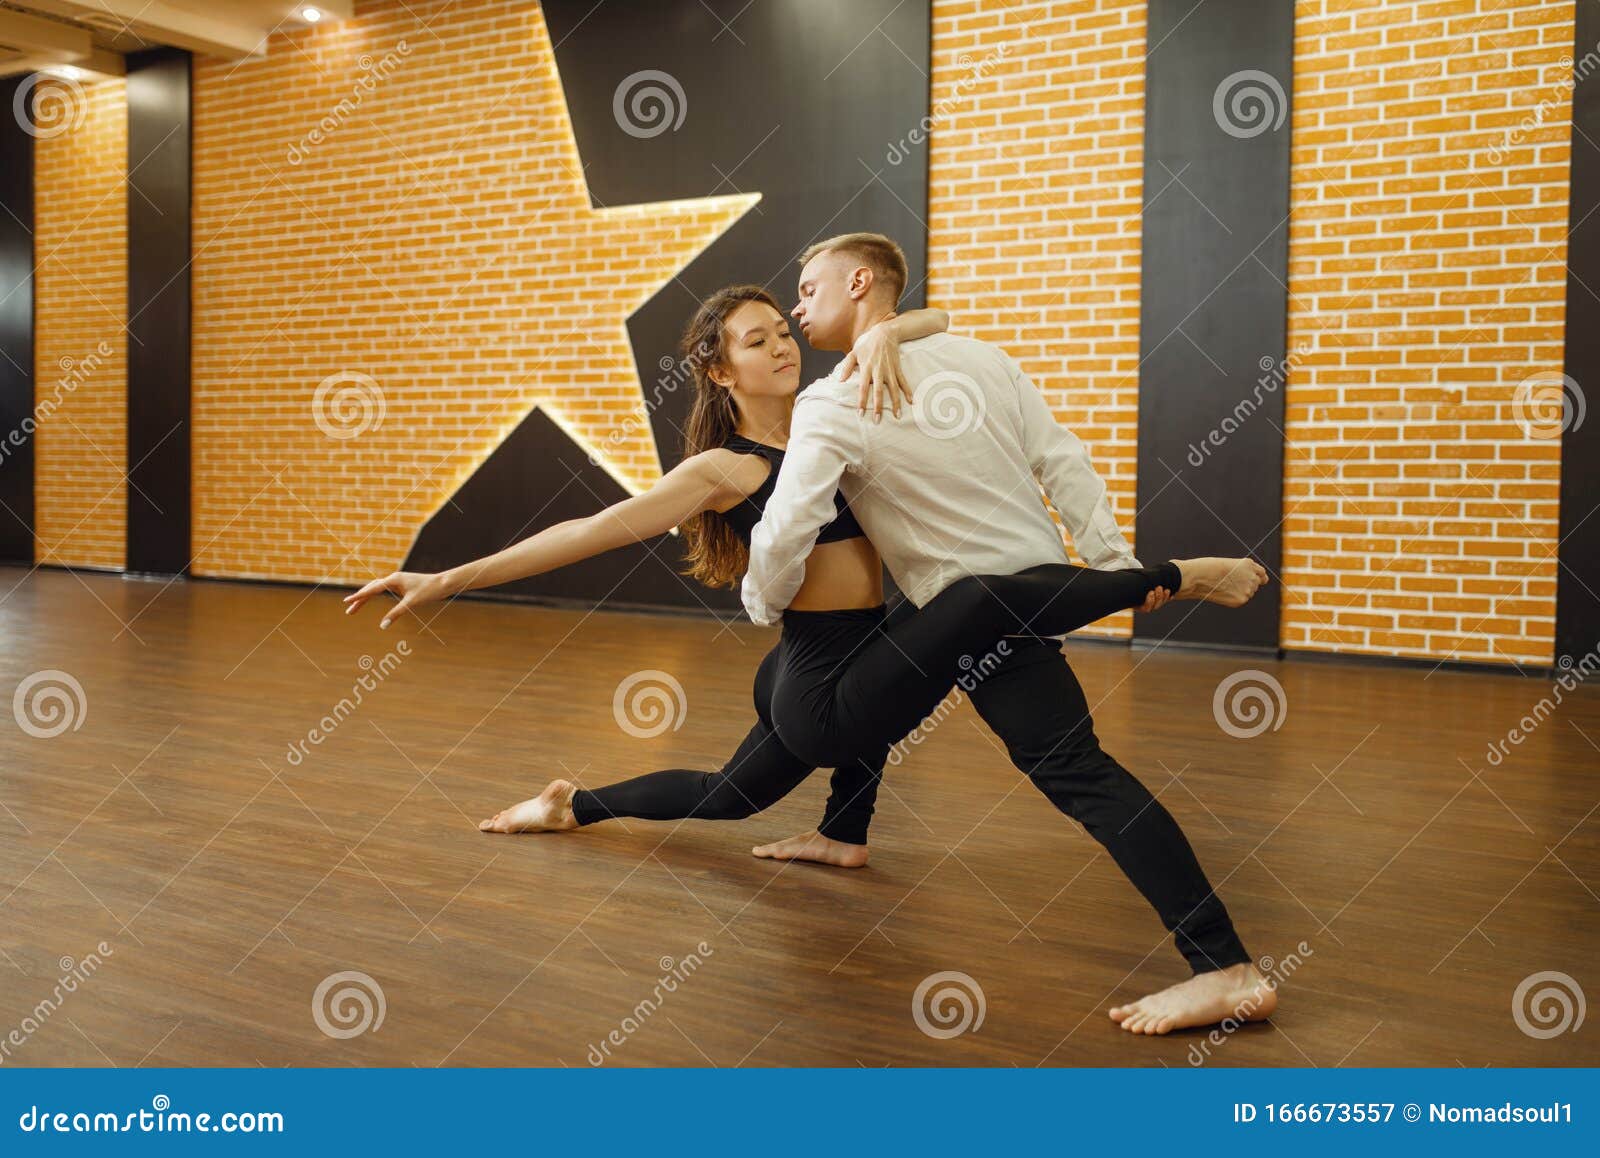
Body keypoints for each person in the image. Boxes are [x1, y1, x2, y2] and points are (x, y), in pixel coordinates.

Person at [741, 232, 1276, 1036]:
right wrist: (1107, 559)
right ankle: (1224, 966)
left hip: (972, 606)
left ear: (859, 282)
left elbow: (788, 527)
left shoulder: (833, 400)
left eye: (808, 287)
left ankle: (1227, 967)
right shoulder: (985, 359)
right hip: (1029, 594)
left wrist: (760, 600)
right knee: (1077, 772)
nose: (795, 305)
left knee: (1061, 765)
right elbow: (1063, 461)